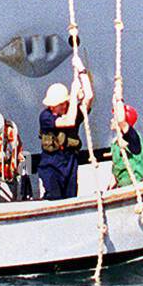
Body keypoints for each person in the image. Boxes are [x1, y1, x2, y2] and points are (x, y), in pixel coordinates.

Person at [37, 58, 94, 200]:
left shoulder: (71, 110)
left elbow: (89, 97)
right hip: (51, 163)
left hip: (70, 160)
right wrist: (74, 96)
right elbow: (68, 121)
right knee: (55, 197)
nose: (61, 107)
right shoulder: (46, 117)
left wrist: (81, 71)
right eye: (58, 104)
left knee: (71, 196)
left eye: (63, 104)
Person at [108, 104, 143, 189]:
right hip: (123, 187)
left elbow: (122, 121)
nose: (111, 120)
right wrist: (109, 190)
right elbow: (117, 171)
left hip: (139, 185)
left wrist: (119, 100)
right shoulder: (115, 144)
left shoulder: (133, 138)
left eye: (114, 118)